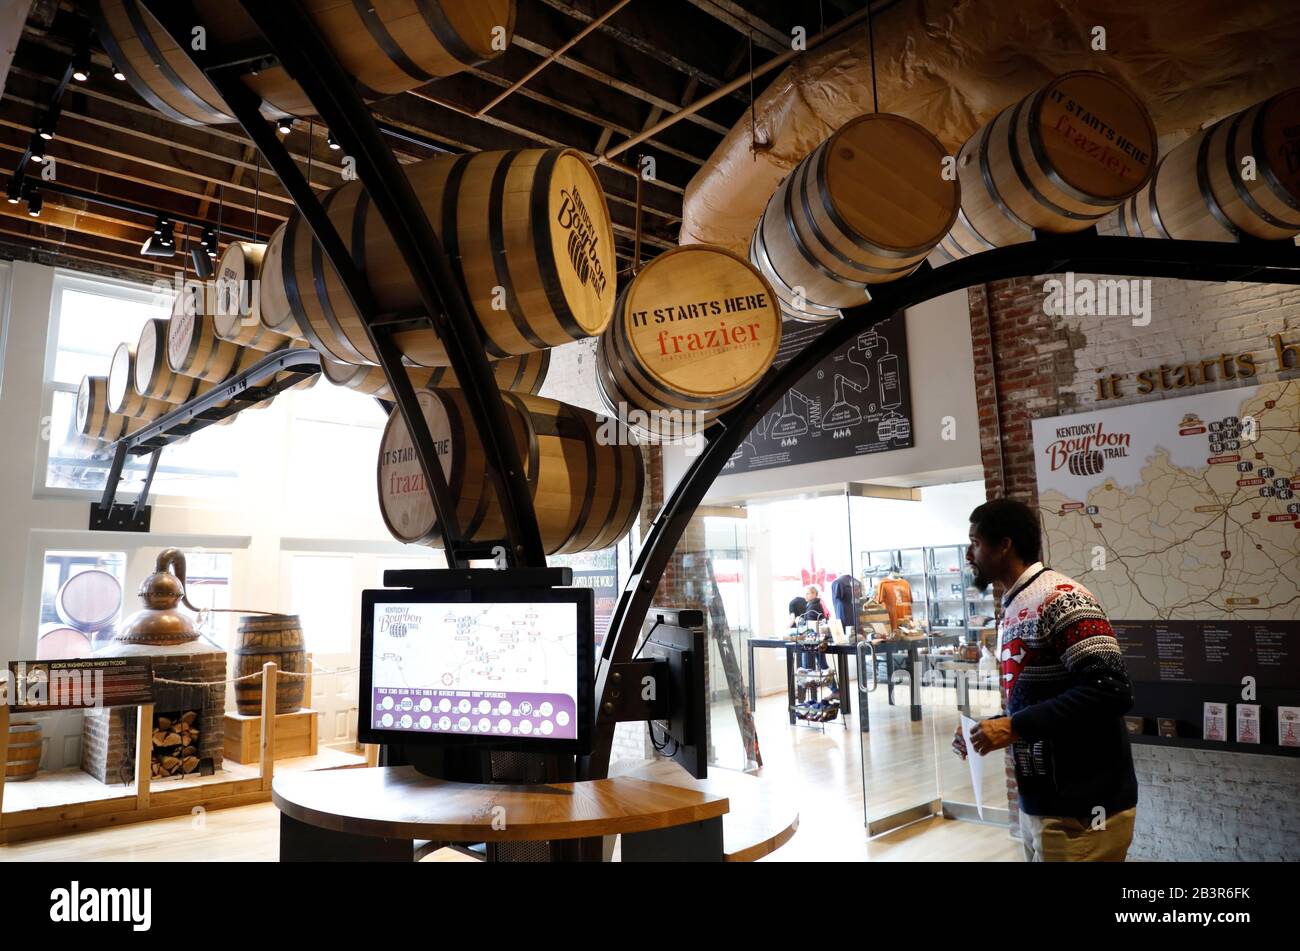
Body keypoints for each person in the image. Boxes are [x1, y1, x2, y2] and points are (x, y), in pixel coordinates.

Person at [952, 498, 1137, 862]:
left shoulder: (1061, 598)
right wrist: (991, 727)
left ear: (1004, 544)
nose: (969, 555)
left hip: (1082, 807)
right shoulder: (1016, 602)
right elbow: (1044, 698)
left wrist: (1014, 725)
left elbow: (1110, 691)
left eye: (975, 542)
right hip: (1043, 802)